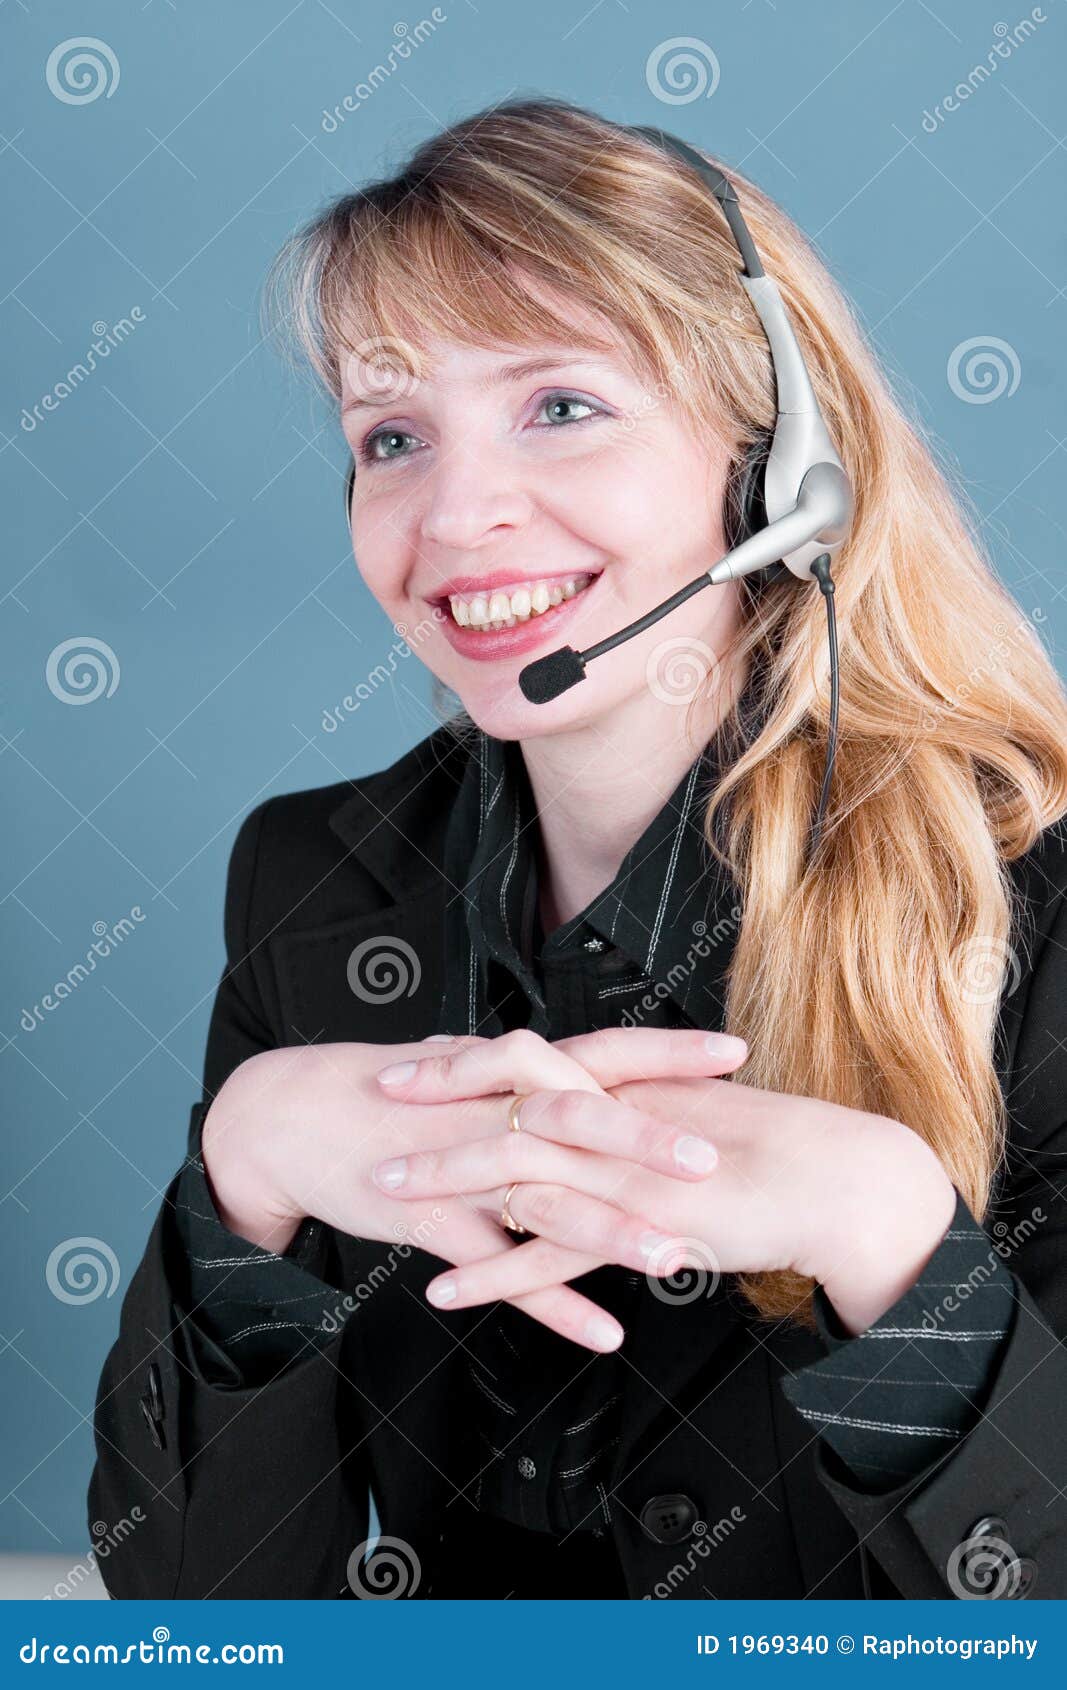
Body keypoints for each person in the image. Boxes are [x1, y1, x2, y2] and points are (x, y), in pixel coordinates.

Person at [88, 97, 1067, 1601]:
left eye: (559, 405)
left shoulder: (1035, 896)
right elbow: (198, 1613)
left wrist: (891, 1245)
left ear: (776, 460)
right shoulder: (313, 883)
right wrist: (247, 1181)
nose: (459, 514)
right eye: (394, 436)